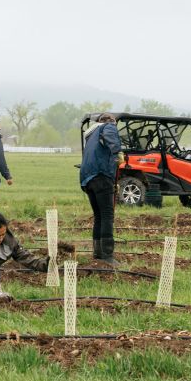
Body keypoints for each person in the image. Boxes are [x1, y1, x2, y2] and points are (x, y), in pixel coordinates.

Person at [80, 112, 125, 266]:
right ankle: (107, 255)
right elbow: (111, 137)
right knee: (107, 215)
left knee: (99, 216)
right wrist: (118, 153)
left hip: (87, 179)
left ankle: (98, 253)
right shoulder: (108, 127)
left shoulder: (90, 135)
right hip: (101, 175)